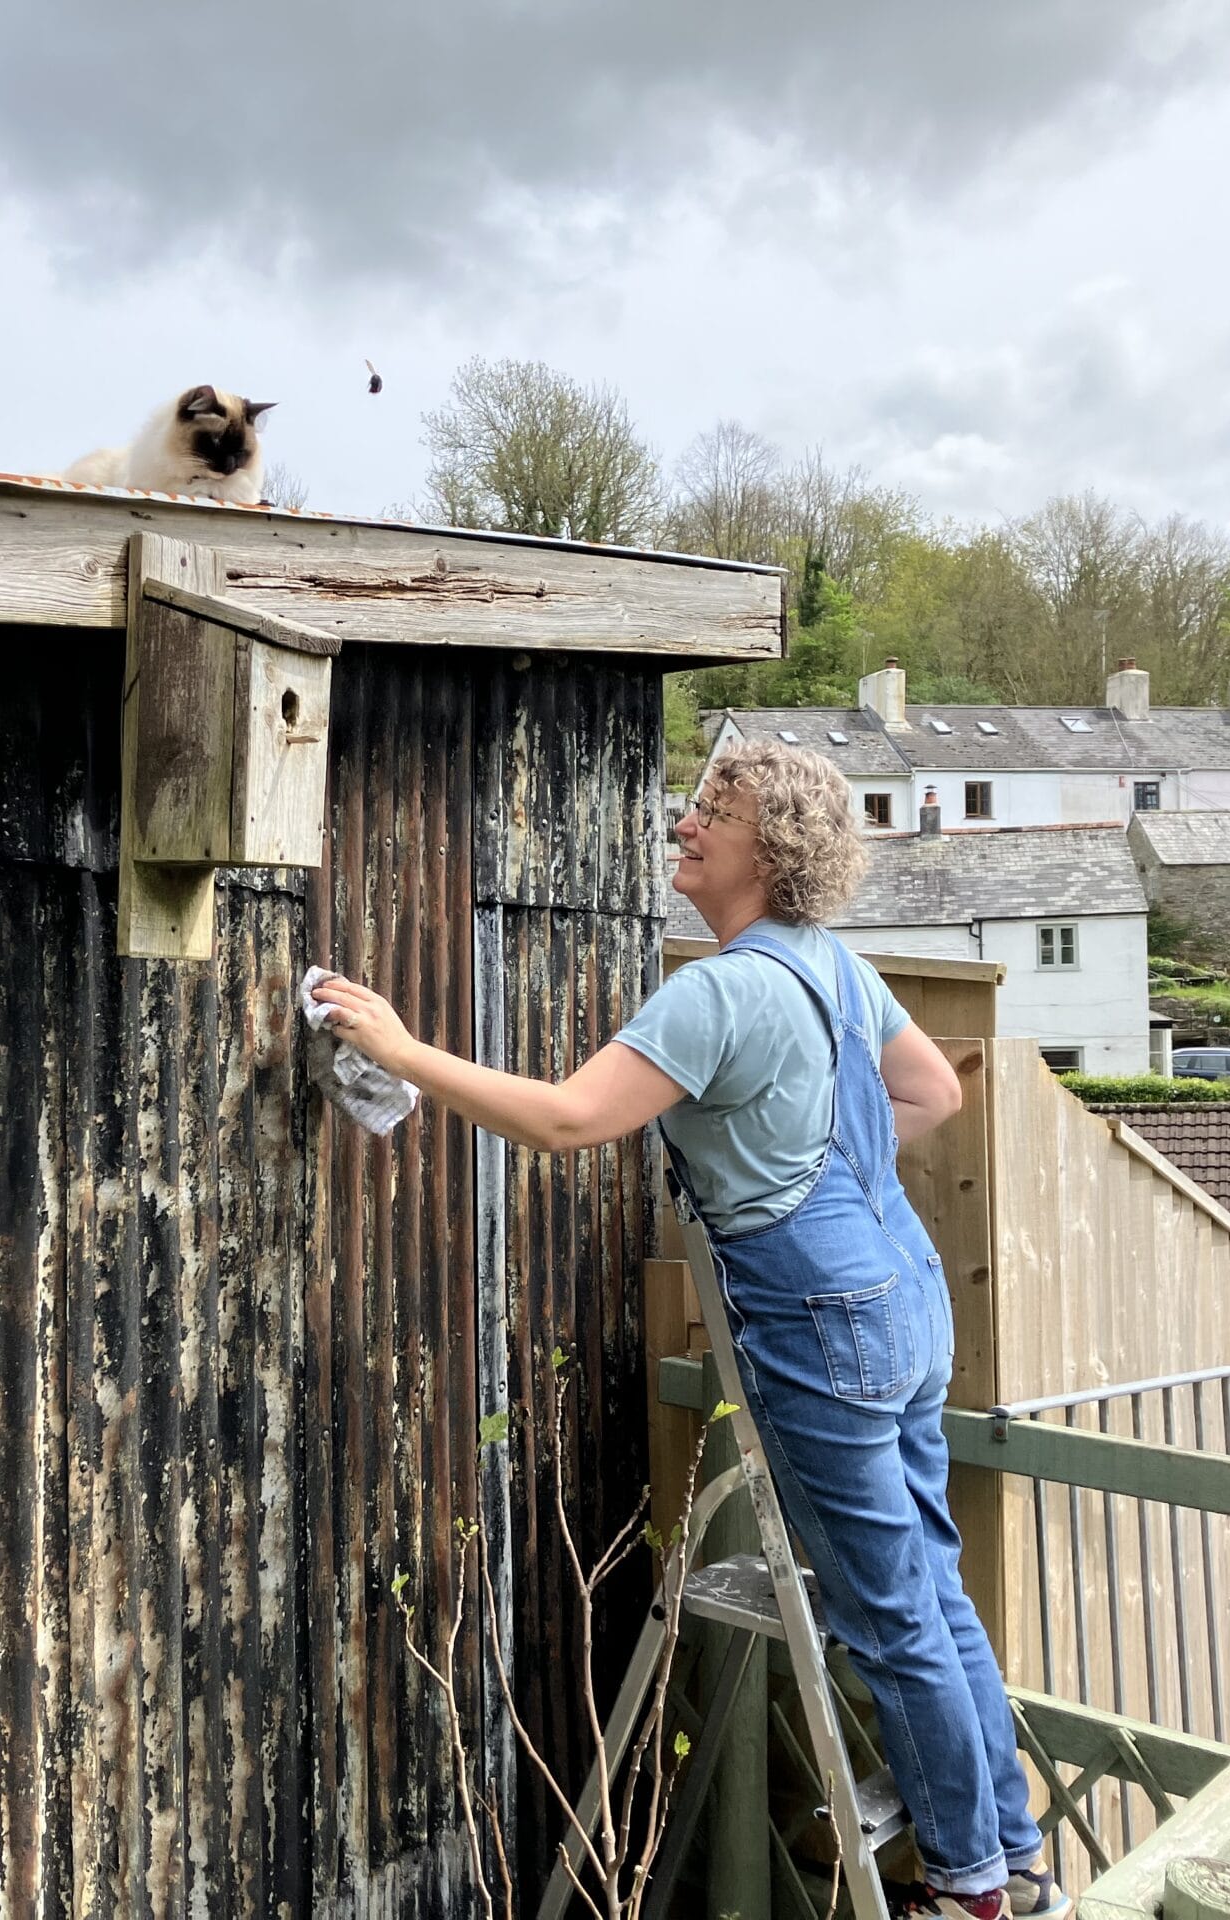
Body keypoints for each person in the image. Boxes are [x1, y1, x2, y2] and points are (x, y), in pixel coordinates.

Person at [312, 739, 1060, 1920]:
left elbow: (566, 1122)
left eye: (717, 807)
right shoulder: (832, 969)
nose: (686, 820)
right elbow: (932, 1094)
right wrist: (812, 1168)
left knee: (886, 1617)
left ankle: (971, 1892)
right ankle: (1015, 1861)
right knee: (932, 1589)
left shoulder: (716, 992)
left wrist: (401, 1053)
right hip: (904, 1296)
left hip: (824, 1324)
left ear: (771, 850)